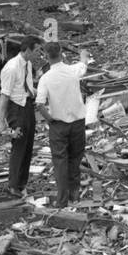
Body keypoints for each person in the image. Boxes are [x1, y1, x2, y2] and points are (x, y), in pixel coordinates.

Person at [34, 41, 91, 207]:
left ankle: (62, 200)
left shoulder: (45, 78)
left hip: (58, 125)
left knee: (60, 161)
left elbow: (39, 103)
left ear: (46, 57)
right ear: (62, 54)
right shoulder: (73, 71)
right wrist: (83, 54)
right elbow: (83, 63)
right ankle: (75, 195)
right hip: (78, 123)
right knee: (75, 158)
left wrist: (49, 119)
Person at [0, 36, 41, 196]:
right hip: (16, 109)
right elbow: (4, 95)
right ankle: (13, 184)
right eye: (36, 50)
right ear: (28, 50)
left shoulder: (28, 64)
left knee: (28, 145)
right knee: (19, 146)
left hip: (28, 106)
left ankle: (22, 183)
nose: (38, 54)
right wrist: (1, 120)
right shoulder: (11, 68)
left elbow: (28, 88)